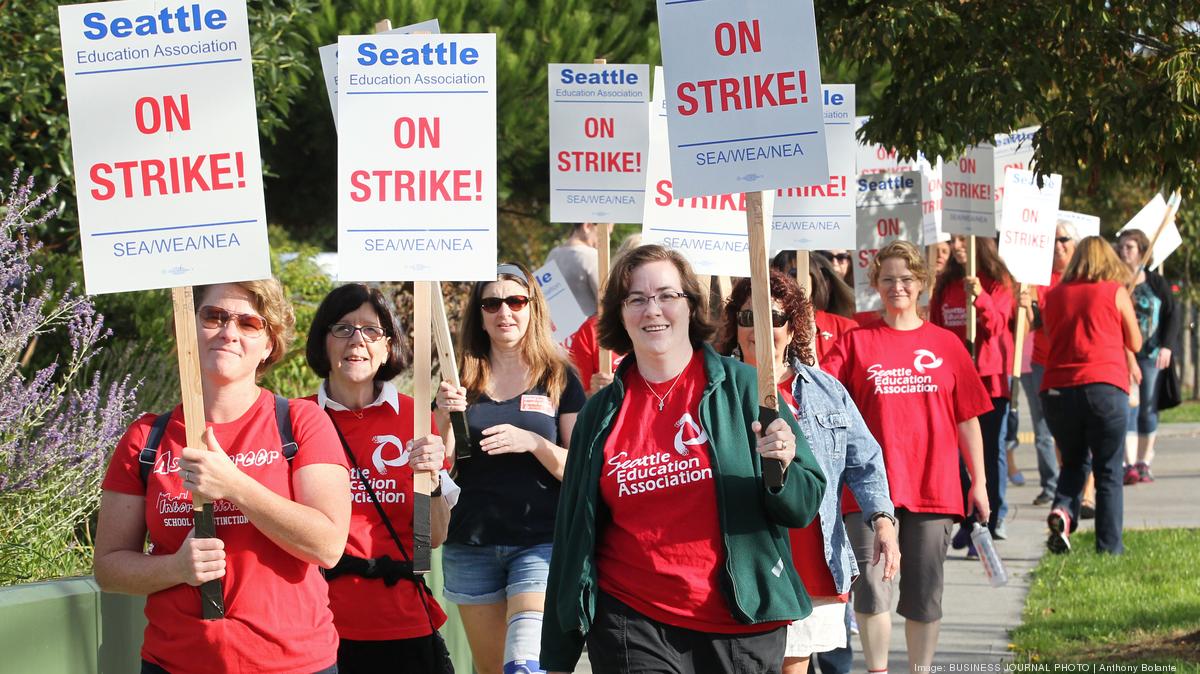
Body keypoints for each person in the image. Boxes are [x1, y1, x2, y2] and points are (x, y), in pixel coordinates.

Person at [541, 244, 826, 674]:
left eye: (666, 296)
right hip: (632, 619)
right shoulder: (598, 414)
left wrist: (782, 469)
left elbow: (803, 505)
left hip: (739, 620)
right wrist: (558, 648)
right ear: (620, 315)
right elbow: (572, 531)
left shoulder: (748, 388)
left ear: (691, 306)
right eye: (636, 298)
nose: (652, 309)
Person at [94, 280, 351, 674]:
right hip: (175, 662)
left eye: (250, 323)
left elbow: (328, 546)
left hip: (292, 664)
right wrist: (175, 568)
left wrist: (234, 485)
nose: (229, 332)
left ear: (268, 345)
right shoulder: (146, 439)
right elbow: (109, 568)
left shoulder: (301, 422)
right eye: (214, 316)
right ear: (188, 327)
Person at [717, 271, 900, 674]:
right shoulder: (713, 390)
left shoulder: (825, 389)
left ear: (794, 325)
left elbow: (864, 459)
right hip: (741, 562)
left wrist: (883, 522)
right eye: (747, 318)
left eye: (773, 318)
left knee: (794, 666)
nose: (759, 329)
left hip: (811, 559)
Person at [823, 240, 991, 672]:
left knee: (923, 595)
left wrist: (981, 484)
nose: (897, 286)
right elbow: (823, 404)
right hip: (866, 491)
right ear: (875, 283)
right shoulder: (856, 344)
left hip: (933, 487)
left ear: (922, 284)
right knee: (873, 591)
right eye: (888, 279)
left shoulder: (947, 345)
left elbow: (968, 419)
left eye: (906, 279)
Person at [435, 263, 586, 674]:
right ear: (479, 315)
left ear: (532, 307)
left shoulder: (559, 377)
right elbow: (440, 464)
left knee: (524, 664)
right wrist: (445, 417)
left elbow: (581, 470)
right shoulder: (458, 379)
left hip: (540, 541)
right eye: (492, 303)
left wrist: (535, 443)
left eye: (516, 300)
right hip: (470, 542)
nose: (505, 312)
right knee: (490, 670)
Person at [305, 283, 457, 673]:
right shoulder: (295, 419)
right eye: (342, 328)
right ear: (324, 342)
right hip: (318, 625)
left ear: (388, 346)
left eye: (371, 330)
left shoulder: (415, 417)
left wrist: (433, 480)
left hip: (403, 624)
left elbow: (433, 538)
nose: (357, 340)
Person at [1040, 236, 1142, 555]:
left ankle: (1063, 512)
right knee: (1108, 470)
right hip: (1104, 387)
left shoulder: (1054, 296)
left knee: (1073, 463)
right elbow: (1136, 343)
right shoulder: (1115, 291)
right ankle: (1109, 548)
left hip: (1057, 390)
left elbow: (1050, 334)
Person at [931, 235, 1015, 542]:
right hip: (953, 381)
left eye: (962, 239)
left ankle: (992, 517)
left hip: (988, 381)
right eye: (953, 240)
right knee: (954, 456)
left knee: (989, 453)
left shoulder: (998, 283)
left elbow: (996, 327)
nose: (957, 245)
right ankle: (968, 519)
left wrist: (979, 297)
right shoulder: (946, 284)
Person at [1019, 220, 1077, 506]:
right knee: (1043, 428)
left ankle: (1077, 484)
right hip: (1042, 363)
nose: (1058, 246)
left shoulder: (1081, 277)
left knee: (1073, 429)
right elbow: (1033, 326)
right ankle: (1051, 485)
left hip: (1074, 364)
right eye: (1052, 241)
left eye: (1064, 239)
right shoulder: (1037, 280)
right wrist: (1025, 306)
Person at [1116, 229, 1180, 485]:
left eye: (1129, 247)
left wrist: (1167, 346)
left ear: (1142, 250)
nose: (1124, 252)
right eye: (1121, 247)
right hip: (1125, 355)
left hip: (1152, 355)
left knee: (1148, 408)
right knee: (1130, 407)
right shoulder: (1116, 282)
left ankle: (1144, 462)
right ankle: (1129, 464)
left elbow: (1173, 314)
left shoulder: (1156, 282)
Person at [567, 233, 641, 395]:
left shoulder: (676, 330)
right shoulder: (592, 331)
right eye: (636, 268)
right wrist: (599, 395)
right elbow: (575, 406)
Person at [544, 222, 602, 316]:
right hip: (587, 328)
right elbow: (605, 301)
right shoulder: (591, 256)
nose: (608, 238)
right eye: (605, 232)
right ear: (587, 226)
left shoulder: (552, 255)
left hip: (556, 327)